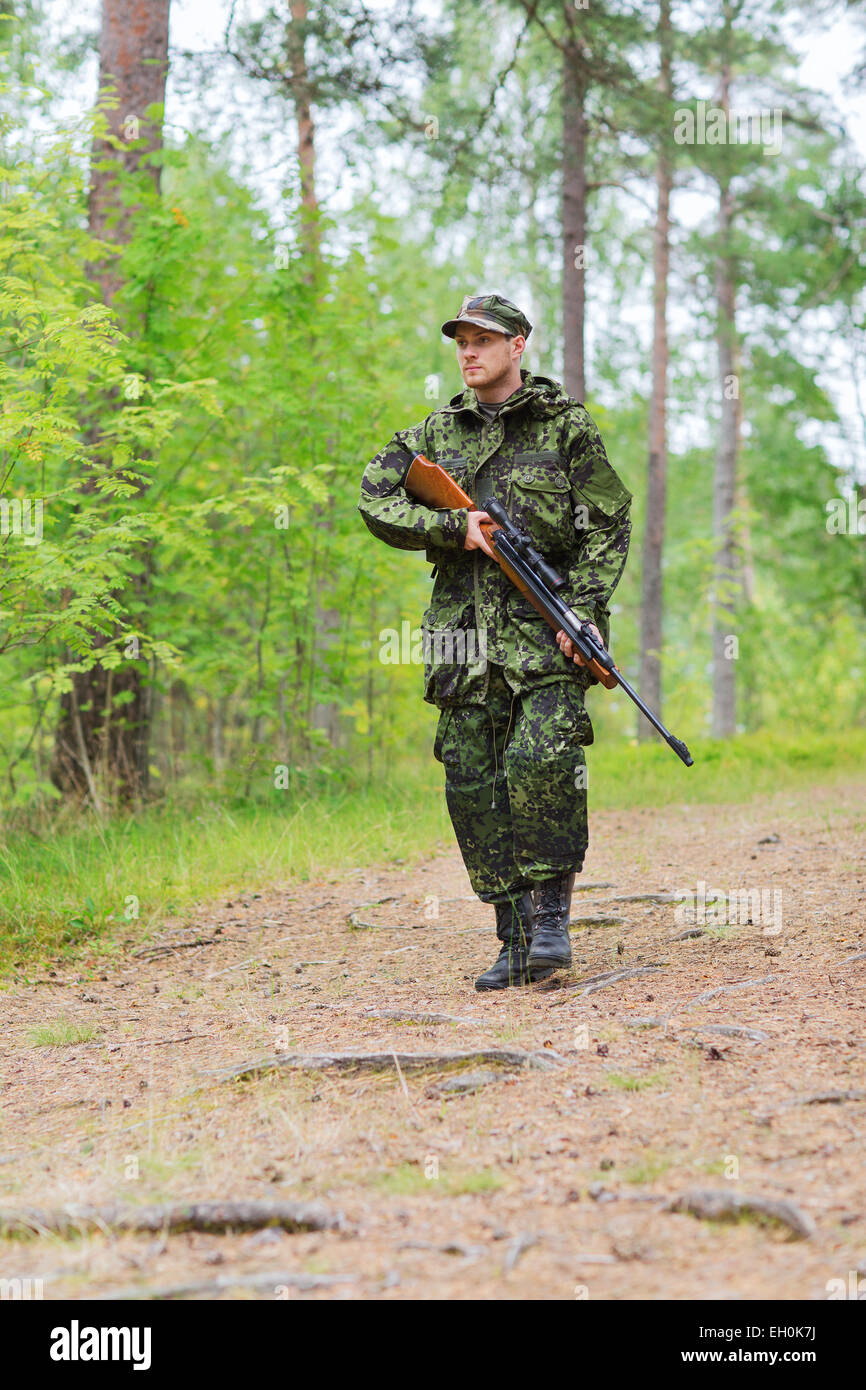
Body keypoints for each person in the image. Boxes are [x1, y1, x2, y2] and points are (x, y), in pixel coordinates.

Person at [357, 293, 632, 990]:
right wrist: (455, 530)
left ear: (518, 346)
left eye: (483, 340)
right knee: (473, 784)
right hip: (461, 643)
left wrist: (589, 610)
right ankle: (511, 937)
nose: (468, 352)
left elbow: (609, 519)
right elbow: (376, 500)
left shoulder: (567, 428)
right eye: (461, 341)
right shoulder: (435, 432)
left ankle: (550, 924)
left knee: (542, 766)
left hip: (545, 634)